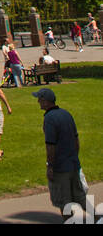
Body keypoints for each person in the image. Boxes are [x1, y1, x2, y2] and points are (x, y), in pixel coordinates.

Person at [33, 86, 84, 220]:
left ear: (45, 101)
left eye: (39, 99)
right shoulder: (66, 113)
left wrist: (50, 166)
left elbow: (50, 145)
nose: (38, 101)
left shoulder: (49, 118)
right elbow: (76, 140)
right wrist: (74, 157)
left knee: (64, 202)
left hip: (60, 168)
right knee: (81, 198)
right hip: (73, 164)